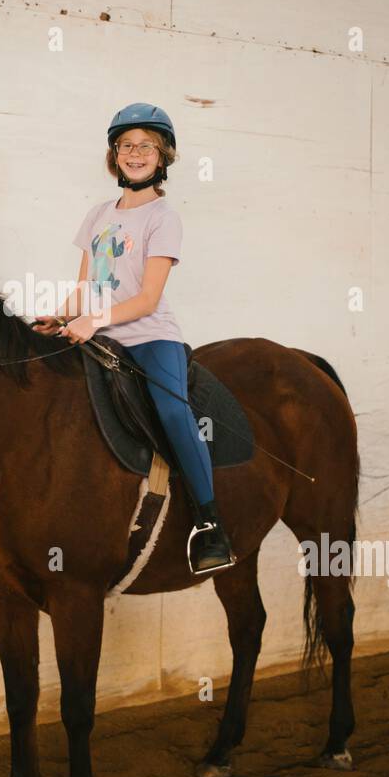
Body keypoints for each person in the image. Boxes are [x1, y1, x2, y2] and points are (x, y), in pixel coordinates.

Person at [33, 102, 236, 576]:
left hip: (148, 337)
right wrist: (60, 315)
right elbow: (86, 286)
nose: (136, 153)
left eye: (147, 146)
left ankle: (209, 523)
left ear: (163, 156)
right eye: (127, 145)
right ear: (114, 155)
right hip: (99, 333)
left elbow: (146, 299)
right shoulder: (99, 214)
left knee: (171, 409)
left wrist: (93, 321)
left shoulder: (164, 218)